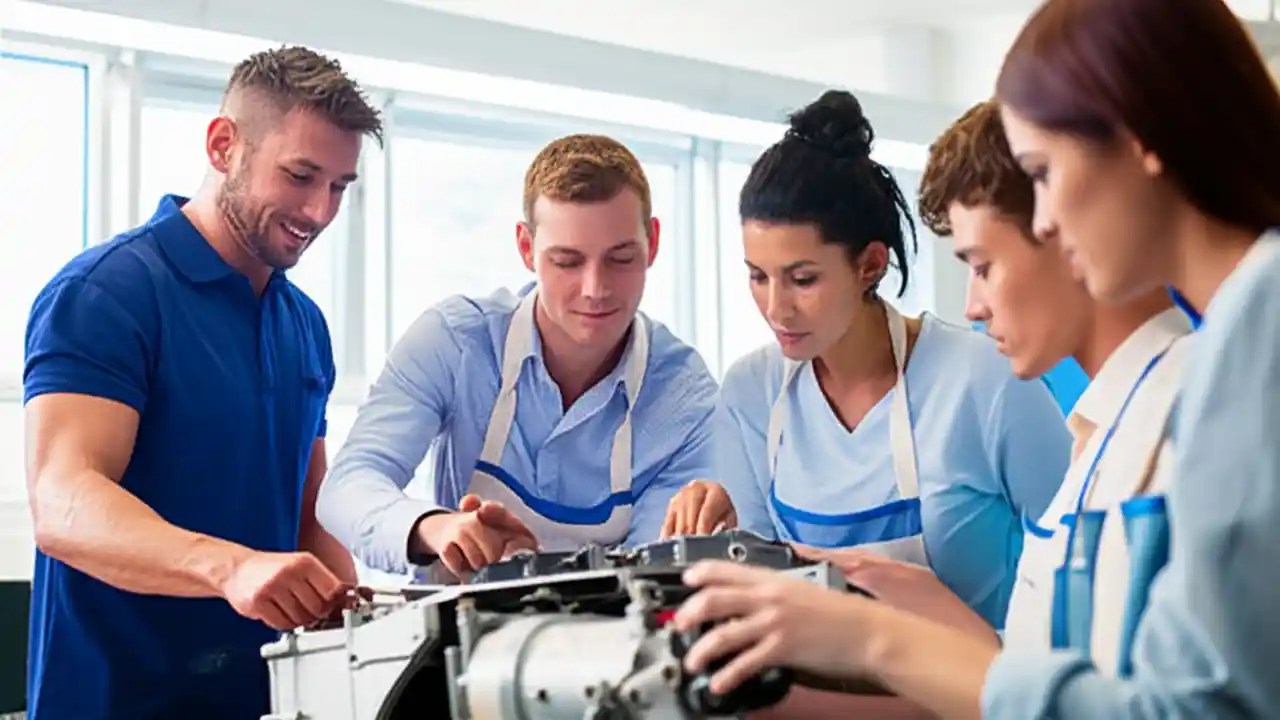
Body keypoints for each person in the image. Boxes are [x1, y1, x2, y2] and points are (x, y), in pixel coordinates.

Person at [671, 0, 1280, 717]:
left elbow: (1186, 705)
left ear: (1137, 137)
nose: (1047, 220)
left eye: (1044, 172)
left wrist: (875, 641)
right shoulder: (1149, 397)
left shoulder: (1242, 343)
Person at [22, 46, 382, 719]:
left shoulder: (304, 323)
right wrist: (231, 567)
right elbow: (63, 502)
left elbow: (311, 517)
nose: (320, 209)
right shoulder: (108, 293)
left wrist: (368, 634)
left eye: (340, 186)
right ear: (224, 146)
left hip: (265, 702)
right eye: (301, 175)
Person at [663, 90, 1070, 630]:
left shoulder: (985, 379)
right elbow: (759, 589)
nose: (776, 308)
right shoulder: (751, 393)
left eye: (803, 279)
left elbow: (1078, 570)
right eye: (758, 276)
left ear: (870, 265)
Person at [317, 134, 719, 581]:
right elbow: (346, 488)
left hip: (612, 637)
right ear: (526, 248)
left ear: (654, 242)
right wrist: (437, 528)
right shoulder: (455, 340)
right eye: (567, 261)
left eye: (621, 259)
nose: (595, 288)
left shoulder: (686, 397)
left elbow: (658, 569)